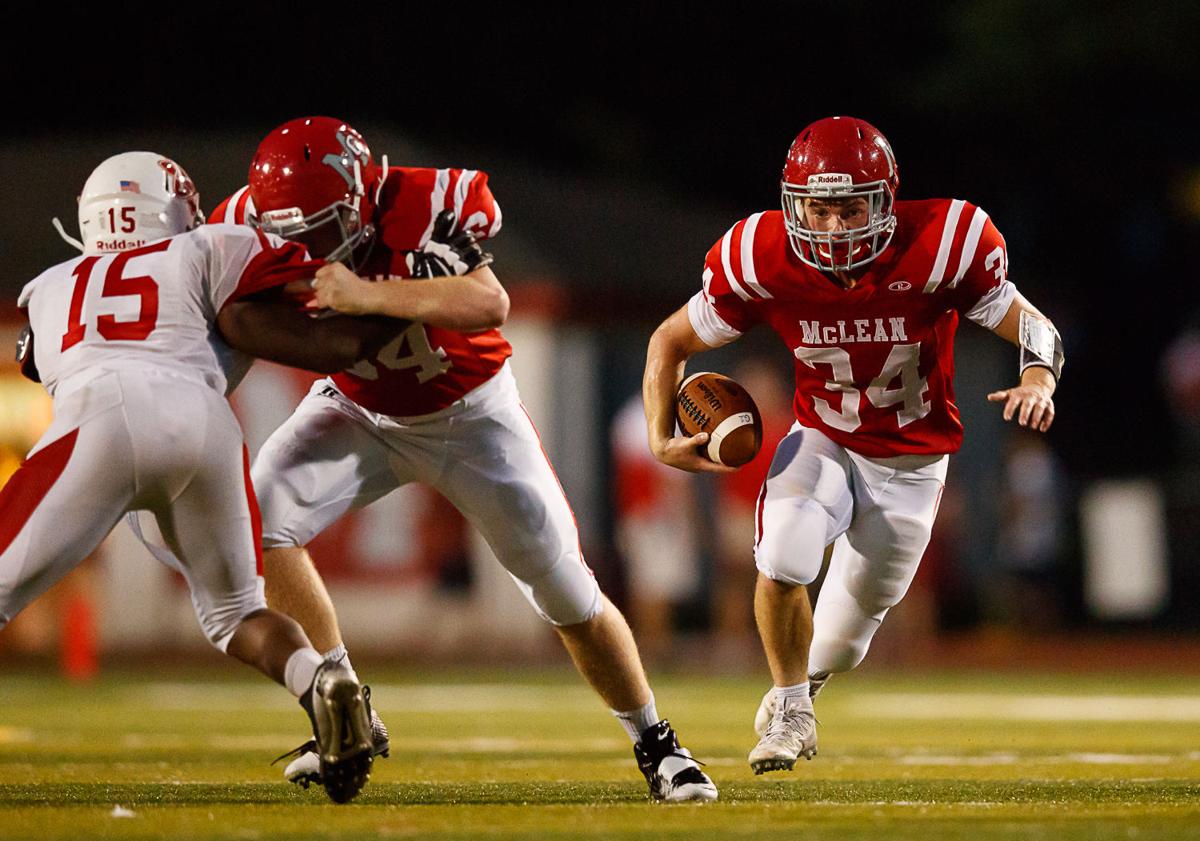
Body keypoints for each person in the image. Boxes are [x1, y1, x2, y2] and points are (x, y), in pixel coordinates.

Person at [210, 116, 717, 802]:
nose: (304, 248)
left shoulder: (425, 202)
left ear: (362, 197)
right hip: (356, 408)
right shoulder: (245, 219)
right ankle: (345, 710)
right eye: (290, 232)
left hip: (469, 413)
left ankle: (658, 744)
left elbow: (488, 300)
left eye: (323, 228)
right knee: (257, 521)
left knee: (565, 590)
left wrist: (368, 294)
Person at [642, 116, 1063, 774]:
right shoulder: (759, 254)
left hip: (912, 462)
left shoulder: (944, 242)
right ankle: (791, 708)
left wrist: (1037, 379)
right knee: (782, 553)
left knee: (842, 643)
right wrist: (659, 435)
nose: (833, 227)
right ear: (794, 205)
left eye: (850, 209)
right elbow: (669, 340)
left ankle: (806, 682)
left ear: (885, 202)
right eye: (819, 209)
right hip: (824, 436)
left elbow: (1037, 328)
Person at [1, 152, 413, 802]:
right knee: (237, 614)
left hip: (98, 420)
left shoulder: (49, 287)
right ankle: (319, 679)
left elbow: (32, 358)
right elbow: (318, 292)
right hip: (202, 422)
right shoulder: (213, 246)